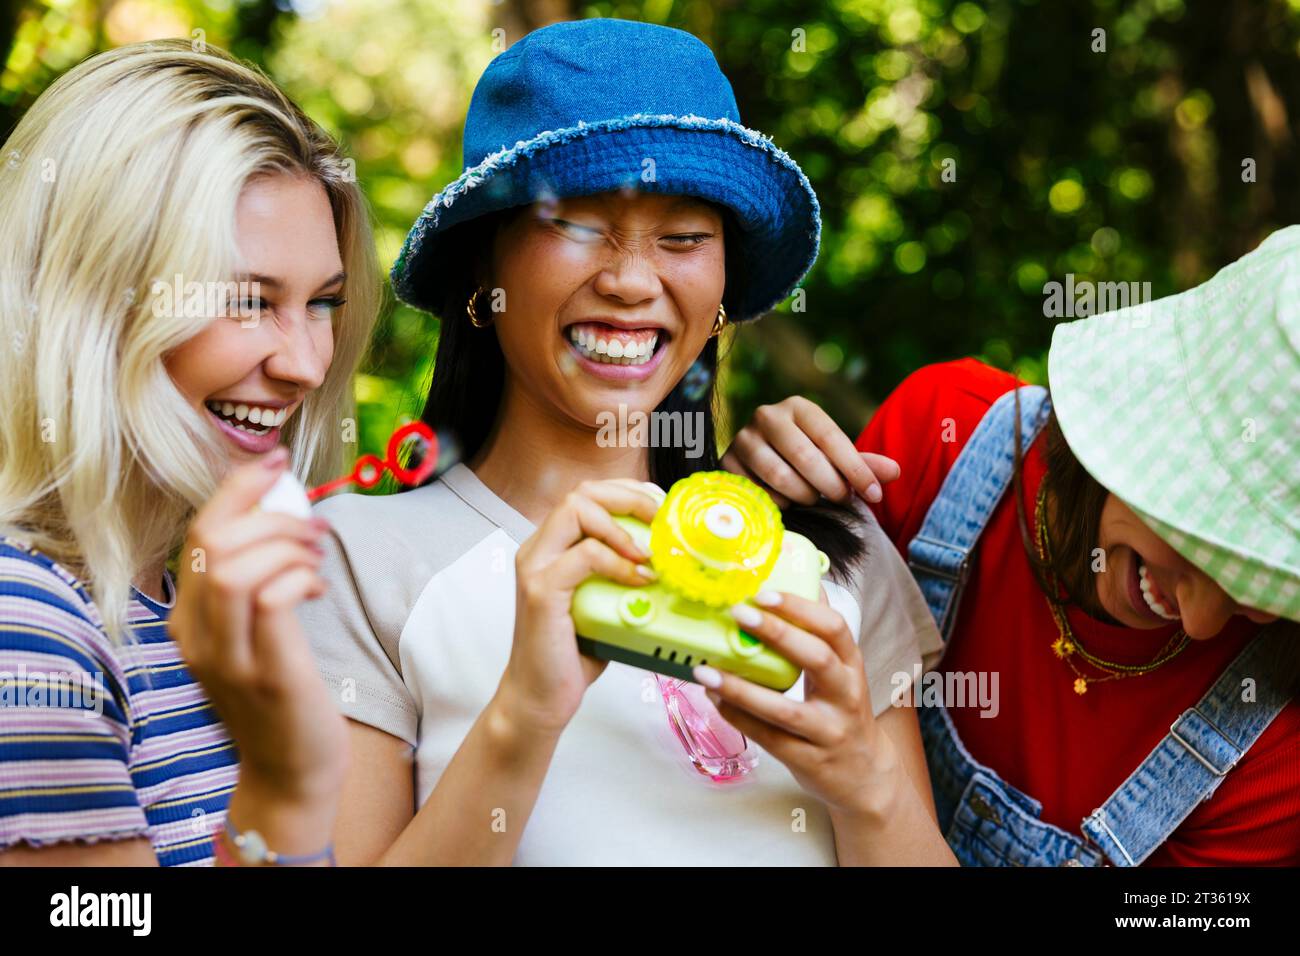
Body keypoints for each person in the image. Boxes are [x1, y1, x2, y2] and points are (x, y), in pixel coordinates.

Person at [302, 18, 953, 865]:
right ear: (482, 268)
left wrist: (864, 781)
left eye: (683, 238)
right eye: (575, 225)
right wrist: (523, 718)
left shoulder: (831, 547)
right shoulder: (357, 557)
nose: (632, 281)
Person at [728, 228, 1300, 865]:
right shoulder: (944, 439)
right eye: (1204, 551)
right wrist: (747, 516)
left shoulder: (1275, 759)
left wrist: (875, 789)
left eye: (1261, 597)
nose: (1200, 623)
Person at [0, 40, 379, 865]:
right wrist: (287, 786)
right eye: (247, 299)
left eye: (322, 303)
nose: (307, 365)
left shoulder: (175, 610)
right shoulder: (26, 625)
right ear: (95, 299)